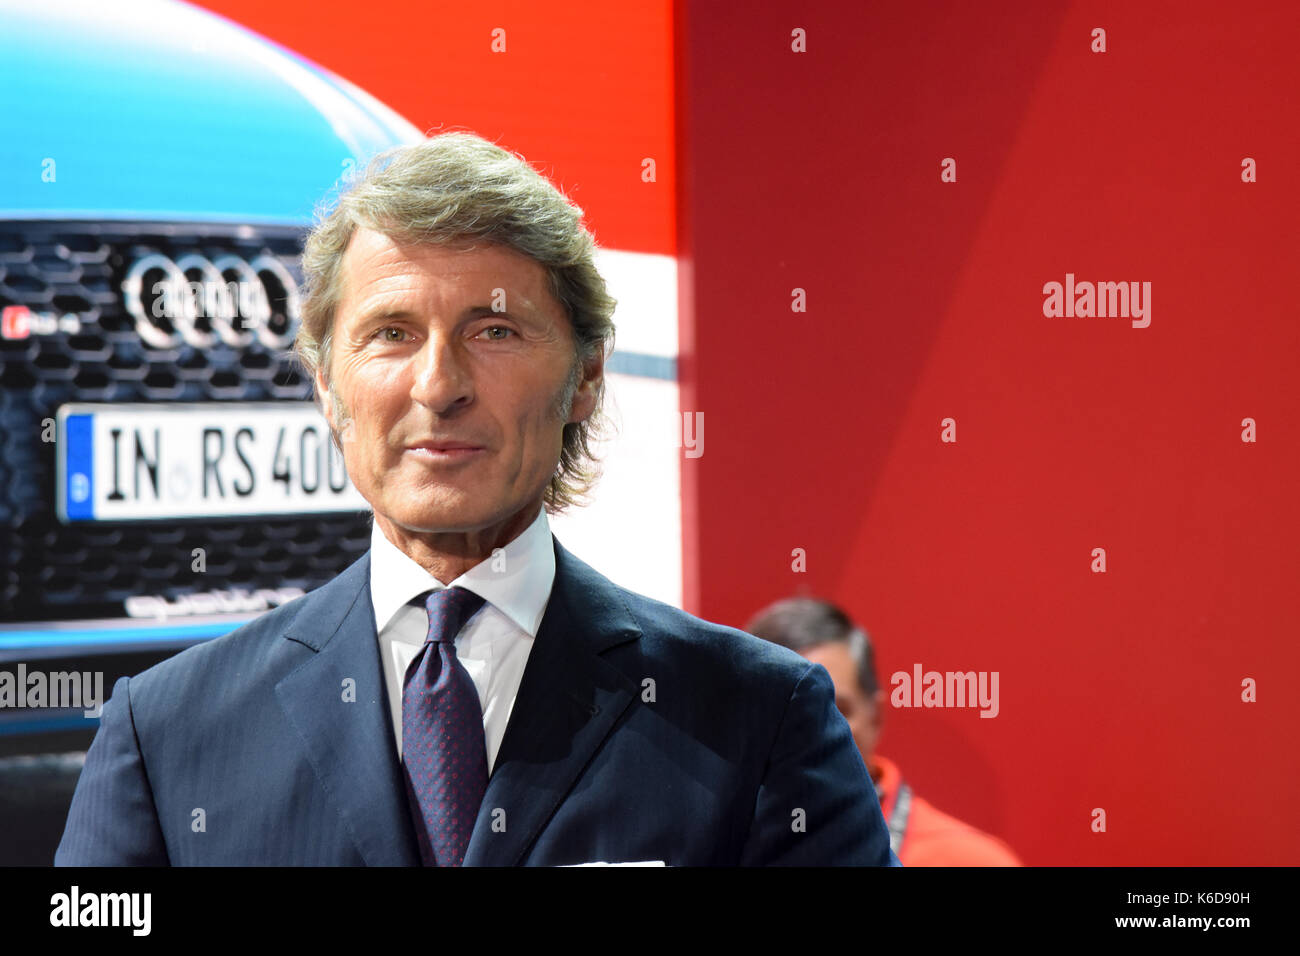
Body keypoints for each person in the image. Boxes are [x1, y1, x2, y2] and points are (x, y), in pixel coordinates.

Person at [56, 132, 896, 866]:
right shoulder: (166, 733)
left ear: (586, 378)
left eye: (492, 331)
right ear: (325, 386)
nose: (438, 386)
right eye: (391, 333)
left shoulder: (759, 718)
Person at [746, 597, 1022, 866]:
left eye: (829, 711)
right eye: (775, 714)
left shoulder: (971, 861)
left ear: (875, 717)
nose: (799, 737)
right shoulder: (711, 848)